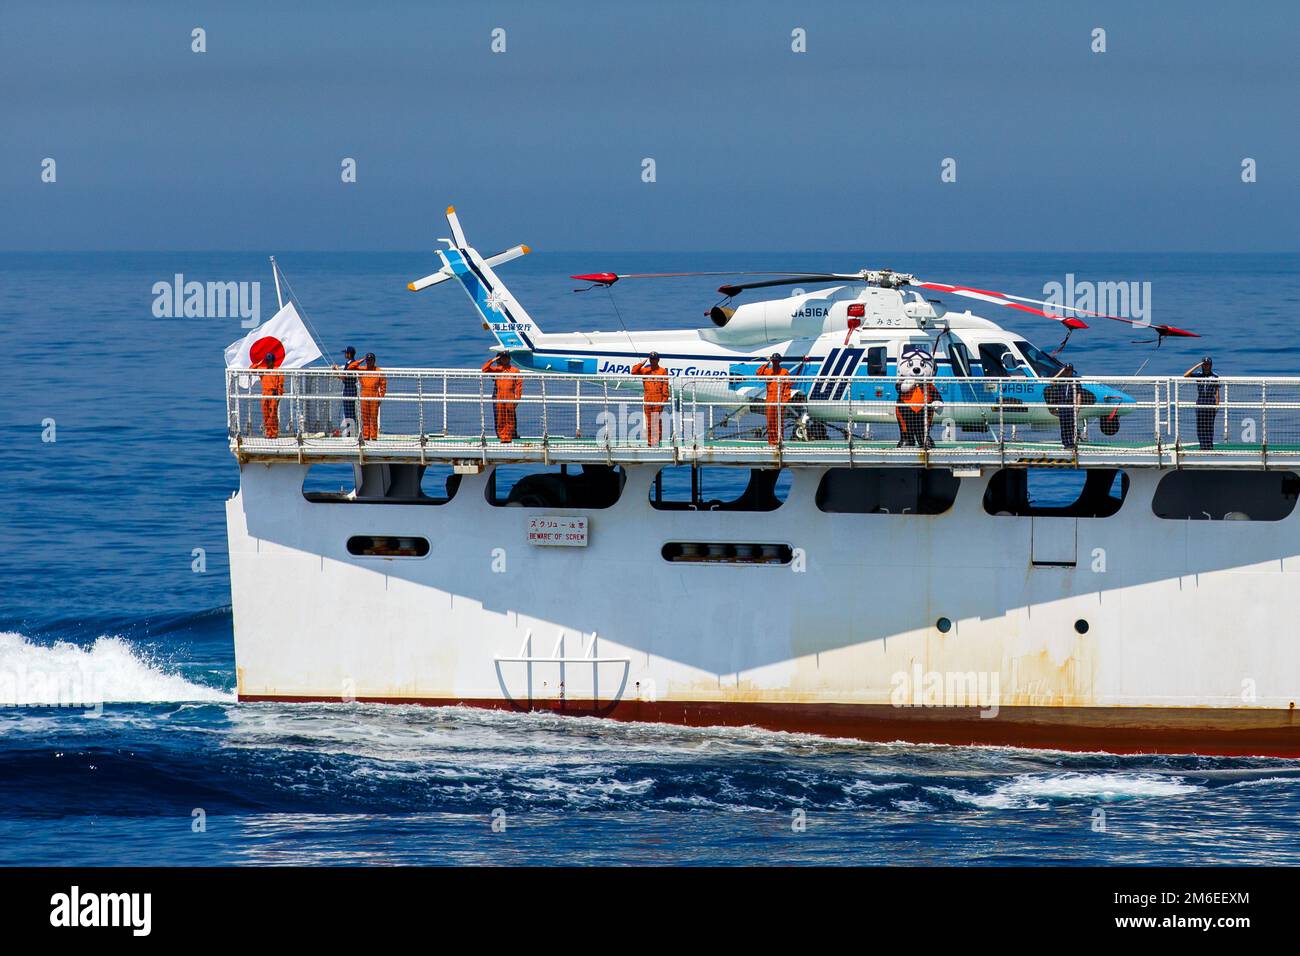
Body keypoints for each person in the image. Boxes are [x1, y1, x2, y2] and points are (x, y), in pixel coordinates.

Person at [481, 352, 523, 443]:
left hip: (510, 396)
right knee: (500, 416)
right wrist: (494, 359)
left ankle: (511, 434)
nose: (505, 359)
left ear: (509, 359)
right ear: (500, 359)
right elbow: (484, 369)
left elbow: (519, 385)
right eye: (503, 358)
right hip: (499, 396)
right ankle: (501, 435)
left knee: (510, 417)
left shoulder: (515, 370)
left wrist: (518, 398)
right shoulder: (497, 369)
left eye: (506, 358)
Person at [631, 351, 671, 446]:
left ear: (658, 360)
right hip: (648, 398)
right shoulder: (645, 370)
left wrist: (664, 399)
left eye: (655, 359)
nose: (653, 361)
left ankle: (657, 442)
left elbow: (665, 384)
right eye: (651, 359)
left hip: (658, 398)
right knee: (649, 422)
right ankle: (650, 443)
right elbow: (633, 371)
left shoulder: (662, 371)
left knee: (656, 421)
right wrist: (642, 363)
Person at [755, 353, 791, 445]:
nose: (775, 363)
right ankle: (771, 442)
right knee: (770, 422)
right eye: (773, 361)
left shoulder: (784, 372)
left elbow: (787, 387)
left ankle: (779, 440)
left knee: (779, 422)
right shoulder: (768, 372)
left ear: (779, 362)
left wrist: (785, 401)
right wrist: (767, 363)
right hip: (770, 399)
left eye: (776, 361)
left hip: (780, 399)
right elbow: (758, 373)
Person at [1185, 356, 1220, 451]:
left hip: (1210, 401)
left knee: (1209, 425)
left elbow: (1217, 391)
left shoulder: (1215, 376)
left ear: (1211, 365)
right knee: (1200, 426)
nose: (1206, 366)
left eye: (1208, 364)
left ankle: (1209, 446)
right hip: (1201, 400)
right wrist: (1198, 365)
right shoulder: (1198, 375)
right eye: (1204, 364)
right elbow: (1186, 375)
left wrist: (1217, 404)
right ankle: (1202, 446)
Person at [1045, 363, 1082, 450]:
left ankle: (1072, 442)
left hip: (1071, 404)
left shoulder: (1075, 380)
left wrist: (1078, 406)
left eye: (1069, 370)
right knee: (1063, 424)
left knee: (1071, 424)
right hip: (1062, 404)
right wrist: (1060, 372)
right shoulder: (1061, 379)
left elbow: (1079, 393)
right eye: (1066, 370)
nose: (1068, 372)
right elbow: (1051, 382)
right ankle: (1065, 443)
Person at [334, 345, 363, 434]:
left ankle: (351, 431)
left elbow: (344, 377)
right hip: (351, 388)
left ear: (349, 354)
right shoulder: (352, 363)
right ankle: (351, 430)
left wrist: (337, 369)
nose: (344, 355)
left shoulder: (350, 364)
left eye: (346, 353)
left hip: (349, 389)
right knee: (350, 410)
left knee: (348, 410)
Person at [358, 352, 387, 441]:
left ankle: (374, 437)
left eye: (371, 360)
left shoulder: (378, 371)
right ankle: (366, 437)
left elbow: (383, 386)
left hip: (374, 395)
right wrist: (360, 360)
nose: (369, 362)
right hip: (364, 394)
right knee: (365, 417)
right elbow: (351, 367)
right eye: (367, 360)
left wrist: (380, 397)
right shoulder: (361, 370)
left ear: (374, 361)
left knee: (374, 417)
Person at [259, 352, 284, 438]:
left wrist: (279, 395)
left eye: (269, 361)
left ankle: (274, 433)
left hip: (273, 394)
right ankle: (268, 432)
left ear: (273, 361)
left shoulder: (278, 370)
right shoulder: (263, 370)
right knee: (265, 413)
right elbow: (251, 369)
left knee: (273, 414)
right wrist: (260, 362)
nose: (268, 362)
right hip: (265, 393)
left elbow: (280, 384)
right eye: (267, 361)